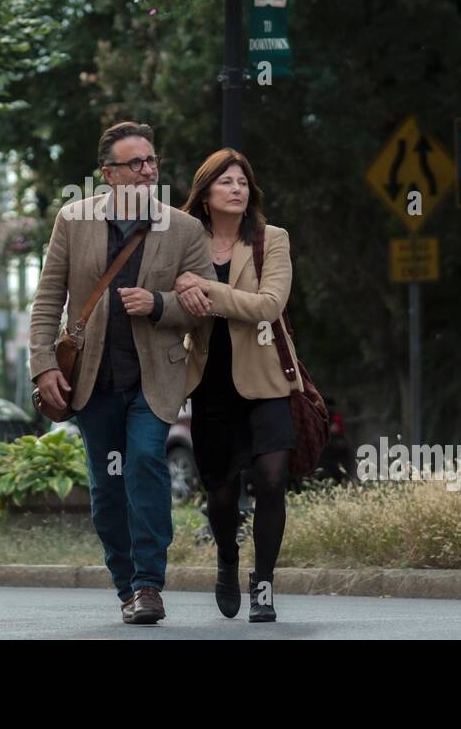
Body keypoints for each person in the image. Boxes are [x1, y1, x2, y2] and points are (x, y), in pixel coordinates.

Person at [29, 121, 214, 625]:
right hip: (92, 380)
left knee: (145, 464)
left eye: (151, 161)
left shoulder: (184, 229)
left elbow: (206, 304)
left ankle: (149, 585)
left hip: (155, 379)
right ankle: (124, 584)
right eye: (134, 163)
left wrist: (158, 304)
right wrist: (44, 365)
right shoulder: (74, 219)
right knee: (108, 488)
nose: (147, 170)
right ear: (108, 173)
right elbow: (48, 300)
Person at [177, 148, 297, 622]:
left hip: (266, 381)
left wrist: (206, 290)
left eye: (243, 182)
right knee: (222, 494)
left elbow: (268, 306)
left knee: (271, 481)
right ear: (205, 194)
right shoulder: (185, 244)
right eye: (226, 182)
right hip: (210, 385)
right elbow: (175, 307)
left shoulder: (273, 240)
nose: (236, 189)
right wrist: (181, 292)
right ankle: (227, 558)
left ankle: (263, 584)